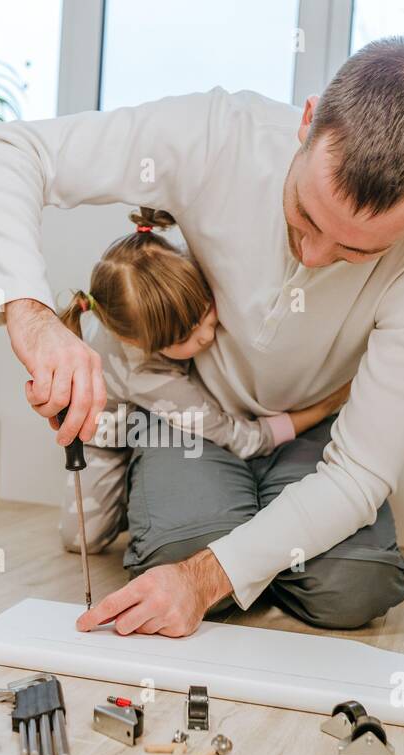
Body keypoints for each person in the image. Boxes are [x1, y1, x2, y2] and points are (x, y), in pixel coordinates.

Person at [0, 37, 404, 637]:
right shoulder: (216, 134)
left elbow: (360, 473)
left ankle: (246, 519)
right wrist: (32, 319)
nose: (314, 256)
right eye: (305, 215)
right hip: (194, 417)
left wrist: (205, 579)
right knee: (177, 547)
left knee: (355, 587)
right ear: (308, 122)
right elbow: (2, 152)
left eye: (357, 252)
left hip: (310, 431)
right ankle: (215, 510)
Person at [55, 206, 351, 555]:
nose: (206, 334)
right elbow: (234, 436)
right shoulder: (146, 376)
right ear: (141, 343)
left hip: (159, 406)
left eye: (204, 312)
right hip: (110, 434)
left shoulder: (182, 258)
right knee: (81, 539)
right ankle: (138, 481)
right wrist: (320, 411)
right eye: (184, 337)